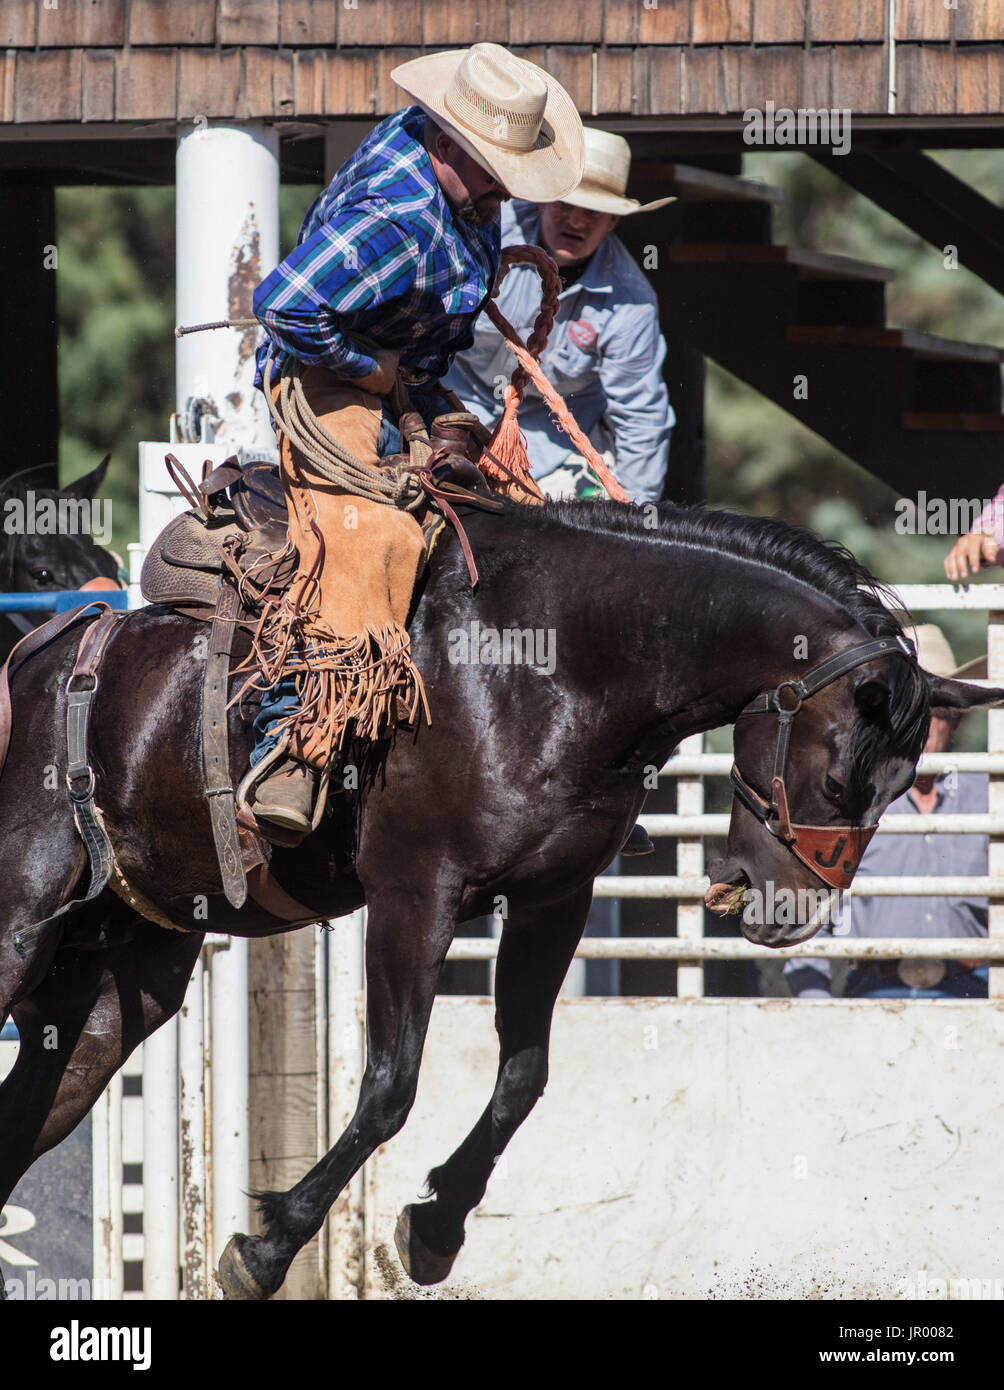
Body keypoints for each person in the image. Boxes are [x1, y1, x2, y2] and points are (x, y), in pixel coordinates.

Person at [247, 44, 584, 834]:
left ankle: (556, 750)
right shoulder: (396, 216)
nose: (509, 189)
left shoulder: (458, 183)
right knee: (371, 531)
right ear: (447, 145)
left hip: (411, 375)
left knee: (517, 513)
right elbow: (285, 303)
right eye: (498, 170)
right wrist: (367, 369)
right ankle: (300, 738)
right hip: (323, 375)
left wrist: (415, 391)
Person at [445, 126, 675, 504]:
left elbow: (641, 417)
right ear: (542, 201)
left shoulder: (632, 304)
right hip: (450, 404)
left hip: (551, 445)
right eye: (566, 204)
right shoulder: (486, 235)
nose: (577, 221)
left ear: (613, 221)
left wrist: (638, 517)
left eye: (593, 212)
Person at [784, 626, 990, 1001]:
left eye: (932, 708)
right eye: (906, 708)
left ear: (957, 715)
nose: (920, 724)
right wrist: (818, 1006)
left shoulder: (991, 797)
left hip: (975, 989)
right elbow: (808, 912)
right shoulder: (851, 801)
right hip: (873, 990)